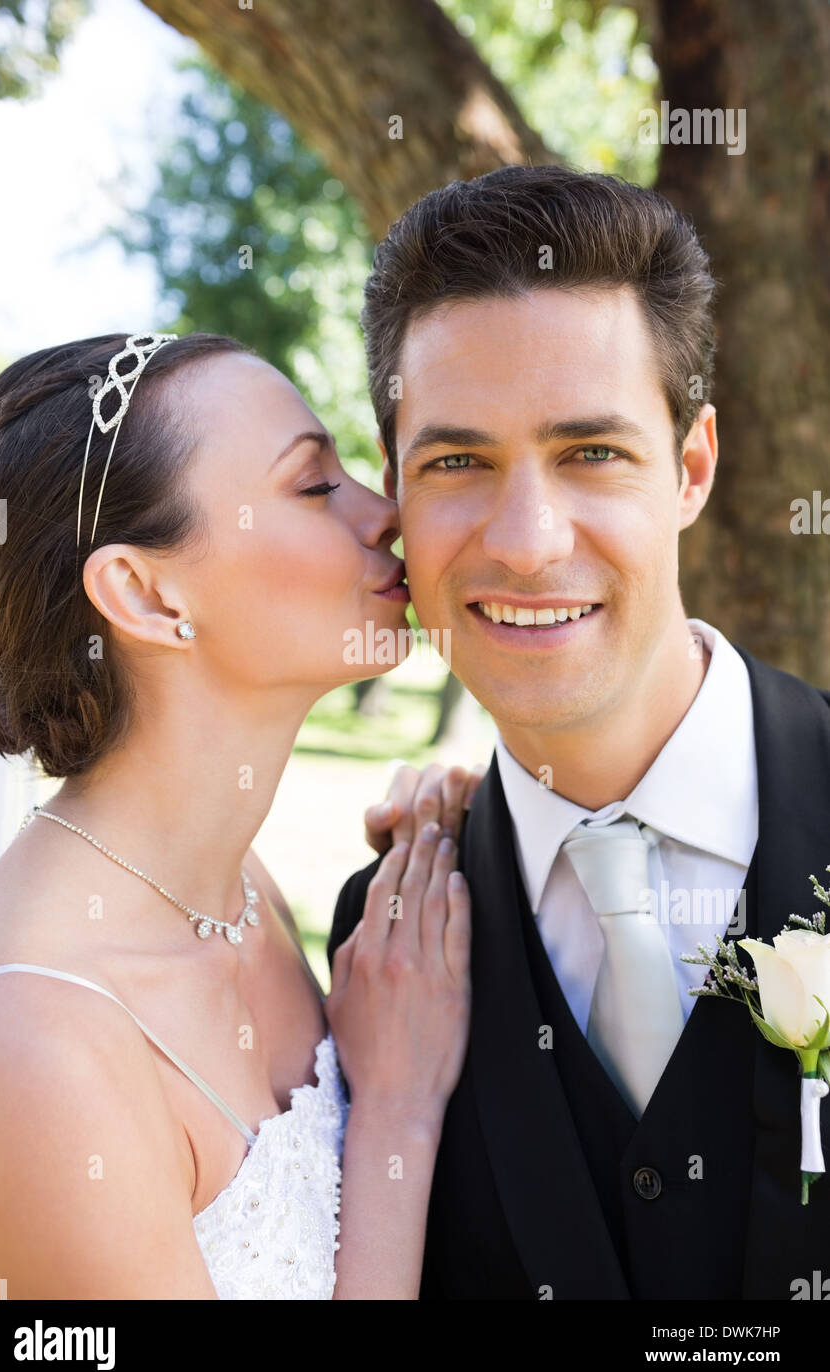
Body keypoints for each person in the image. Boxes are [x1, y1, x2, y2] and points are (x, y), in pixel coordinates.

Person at [329, 164, 830, 1300]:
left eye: (588, 453)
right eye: (456, 462)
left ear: (689, 468)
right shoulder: (382, 934)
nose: (523, 539)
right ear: (397, 497)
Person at [0, 330, 476, 1300]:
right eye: (315, 486)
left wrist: (438, 838)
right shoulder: (26, 1048)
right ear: (145, 593)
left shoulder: (241, 888)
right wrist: (396, 1111)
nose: (389, 515)